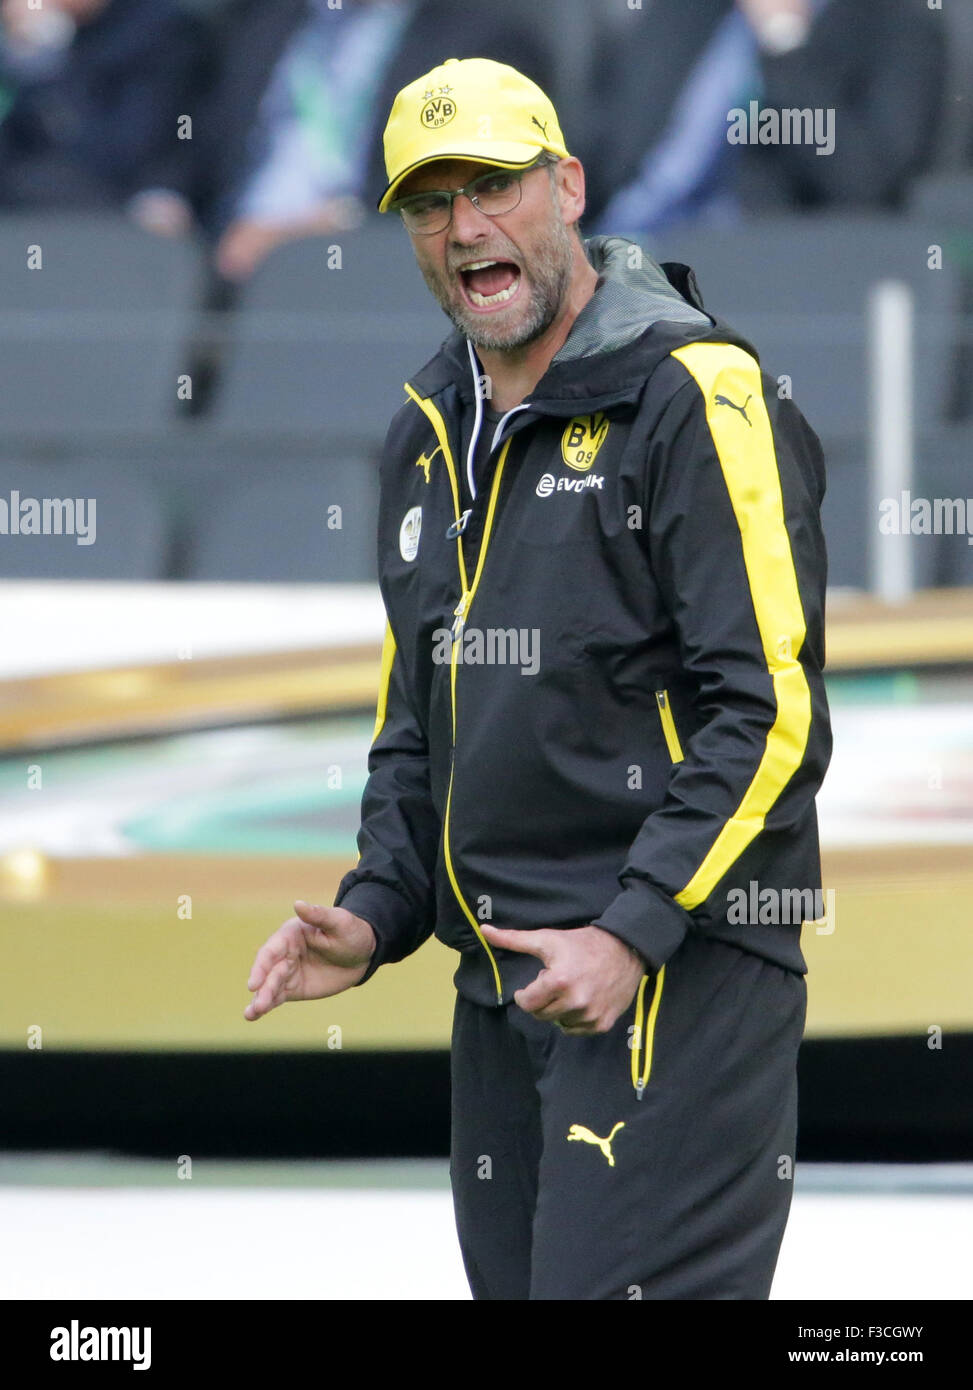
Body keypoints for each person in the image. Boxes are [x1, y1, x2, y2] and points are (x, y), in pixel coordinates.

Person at [244, 57, 833, 1301]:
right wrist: (378, 905)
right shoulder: (423, 430)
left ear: (567, 188)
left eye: (496, 187)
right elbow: (421, 721)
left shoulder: (694, 392)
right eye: (429, 201)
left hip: (676, 979)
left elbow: (769, 711)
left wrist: (630, 931)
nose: (465, 228)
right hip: (502, 994)